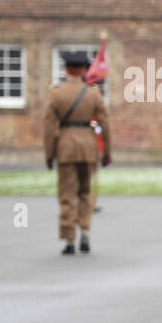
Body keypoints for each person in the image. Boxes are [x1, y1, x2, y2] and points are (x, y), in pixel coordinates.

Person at [43, 51, 110, 255]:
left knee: (67, 195)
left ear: (66, 70)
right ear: (83, 70)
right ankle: (86, 232)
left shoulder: (56, 93)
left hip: (65, 147)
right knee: (86, 193)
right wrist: (107, 151)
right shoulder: (93, 93)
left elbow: (48, 127)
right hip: (89, 147)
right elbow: (105, 123)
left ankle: (69, 239)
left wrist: (49, 154)